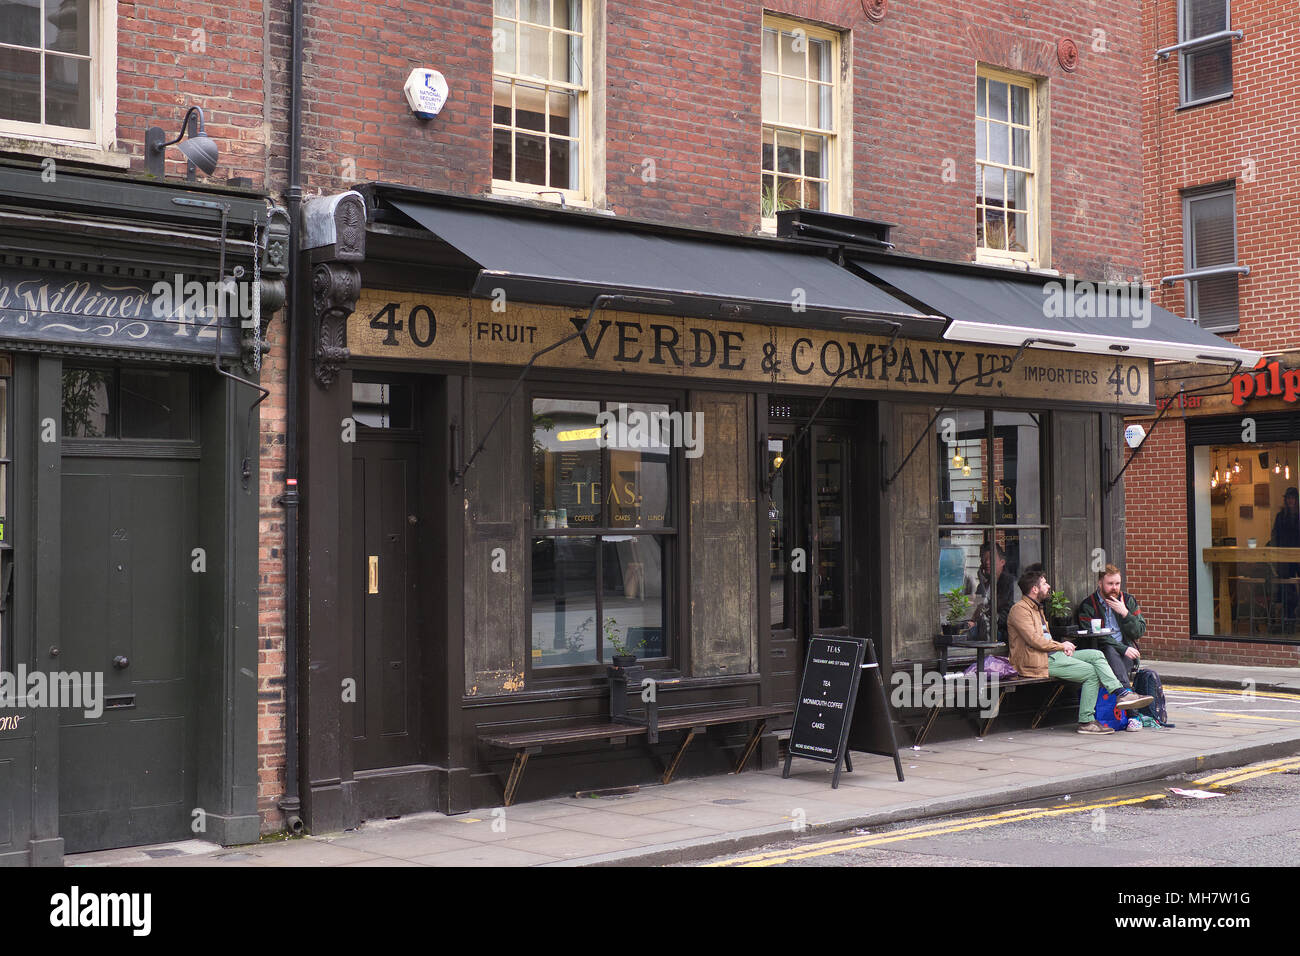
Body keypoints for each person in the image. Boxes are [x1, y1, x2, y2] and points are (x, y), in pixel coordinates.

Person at [1007, 567, 1153, 735]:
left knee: (1096, 654)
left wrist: (1060, 647)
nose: (1048, 586)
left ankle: (1121, 693)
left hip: (1052, 655)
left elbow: (1043, 639)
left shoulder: (1036, 608)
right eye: (1044, 583)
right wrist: (1061, 645)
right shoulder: (1020, 610)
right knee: (1091, 673)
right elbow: (1034, 641)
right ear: (1034, 589)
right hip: (1036, 661)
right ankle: (1087, 721)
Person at [1075, 564, 1146, 690]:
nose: (1114, 588)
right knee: (1109, 650)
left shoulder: (1128, 601)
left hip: (1126, 653)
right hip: (1101, 653)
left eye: (1117, 584)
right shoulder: (1088, 605)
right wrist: (1123, 648)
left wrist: (1125, 613)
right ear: (1100, 583)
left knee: (1117, 668)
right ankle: (1126, 694)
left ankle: (1124, 696)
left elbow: (1139, 632)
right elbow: (1096, 637)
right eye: (1110, 584)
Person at [967, 542, 1016, 641]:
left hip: (1000, 631)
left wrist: (989, 619)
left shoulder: (1009, 582)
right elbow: (977, 608)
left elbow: (1007, 613)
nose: (987, 562)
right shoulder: (984, 584)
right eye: (984, 559)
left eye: (991, 559)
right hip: (983, 628)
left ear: (1002, 562)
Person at [1269, 487, 1300, 627]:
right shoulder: (1281, 516)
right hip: (1285, 559)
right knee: (1287, 589)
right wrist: (1276, 554)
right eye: (1289, 498)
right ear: (1286, 500)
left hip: (1298, 557)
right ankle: (1289, 618)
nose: (1291, 500)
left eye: (1293, 498)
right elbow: (1274, 536)